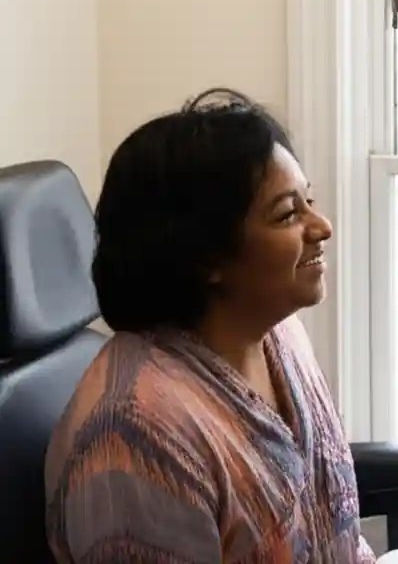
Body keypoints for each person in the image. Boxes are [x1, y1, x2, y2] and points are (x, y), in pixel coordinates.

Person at [43, 89, 375, 562]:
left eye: (310, 200)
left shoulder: (281, 335)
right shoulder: (137, 440)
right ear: (206, 256)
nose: (322, 226)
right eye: (287, 214)